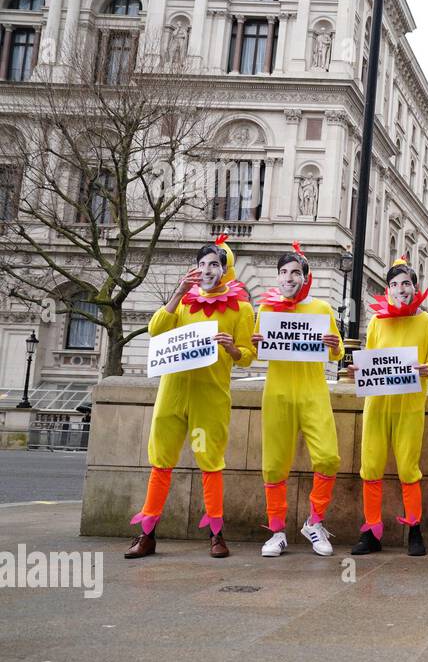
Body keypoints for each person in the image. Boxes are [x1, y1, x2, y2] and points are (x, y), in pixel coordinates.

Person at [125, 235, 254, 559]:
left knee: (210, 463)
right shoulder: (183, 301)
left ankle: (216, 535)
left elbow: (249, 354)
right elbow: (156, 329)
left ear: (224, 270)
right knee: (161, 461)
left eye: (214, 264)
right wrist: (178, 293)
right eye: (203, 264)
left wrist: (232, 348)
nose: (208, 270)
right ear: (195, 268)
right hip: (173, 393)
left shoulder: (241, 307)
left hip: (209, 397)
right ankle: (147, 534)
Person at [346, 256, 428, 556]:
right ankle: (371, 531)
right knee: (370, 466)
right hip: (377, 405)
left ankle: (415, 530)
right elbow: (372, 358)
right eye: (394, 285)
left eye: (405, 284)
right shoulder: (377, 321)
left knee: (408, 468)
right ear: (387, 290)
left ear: (415, 288)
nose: (400, 289)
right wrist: (358, 370)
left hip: (410, 406)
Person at [253, 243, 343, 558]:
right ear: (278, 277)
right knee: (275, 464)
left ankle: (314, 522)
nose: (289, 278)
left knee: (329, 458)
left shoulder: (321, 309)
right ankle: (276, 532)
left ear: (305, 278)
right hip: (277, 394)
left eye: (295, 272)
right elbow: (253, 352)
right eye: (284, 272)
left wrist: (333, 344)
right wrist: (255, 344)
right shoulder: (266, 310)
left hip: (313, 392)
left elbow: (338, 351)